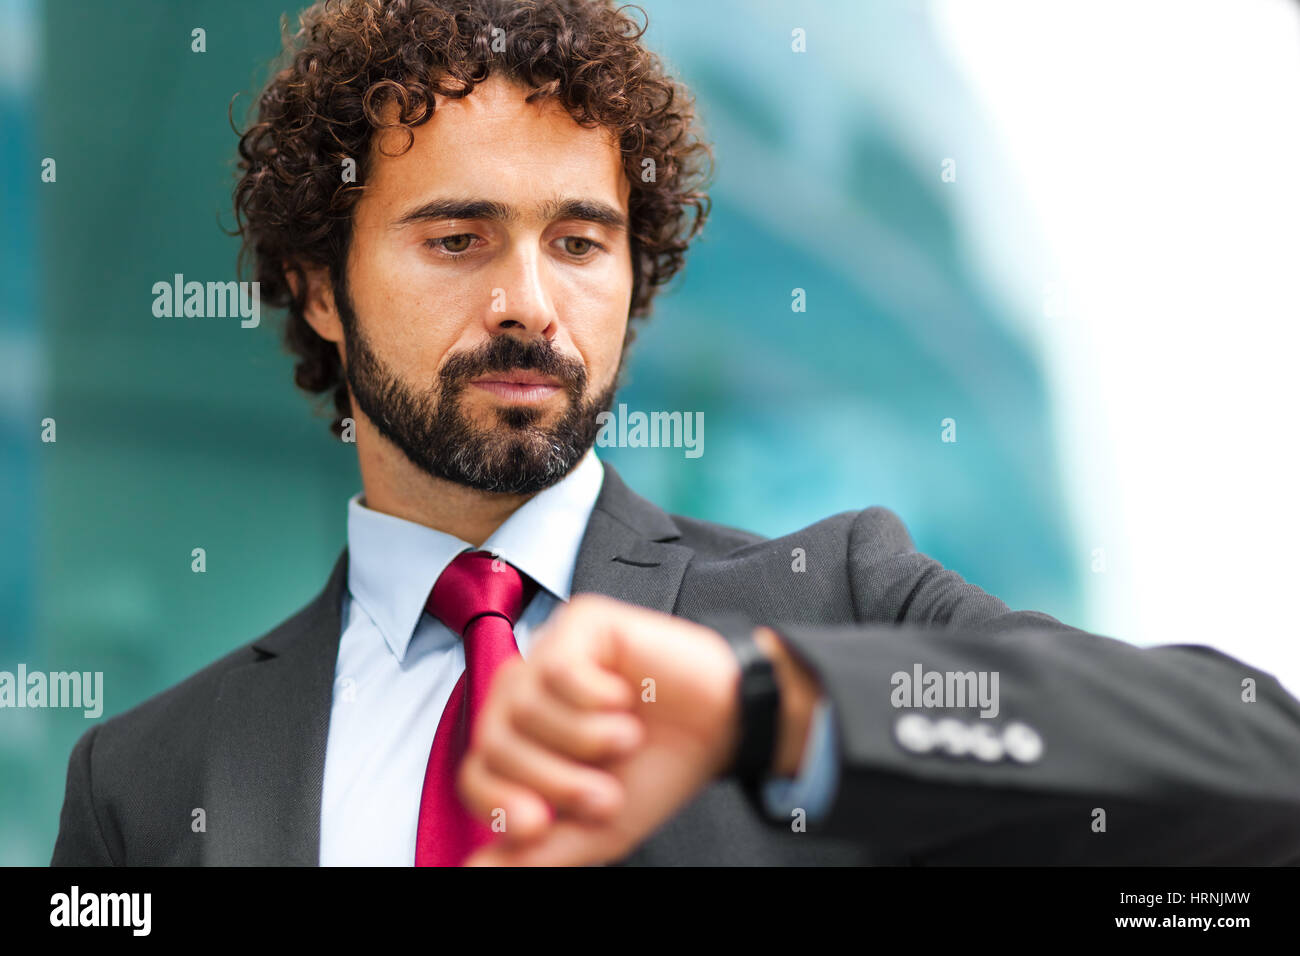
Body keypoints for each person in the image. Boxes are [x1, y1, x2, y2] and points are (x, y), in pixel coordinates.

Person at [51, 0, 1300, 867]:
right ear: (321, 287)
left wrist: (767, 708)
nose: (529, 302)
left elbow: (1254, 755)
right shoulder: (142, 780)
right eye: (458, 238)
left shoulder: (830, 603)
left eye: (579, 241)